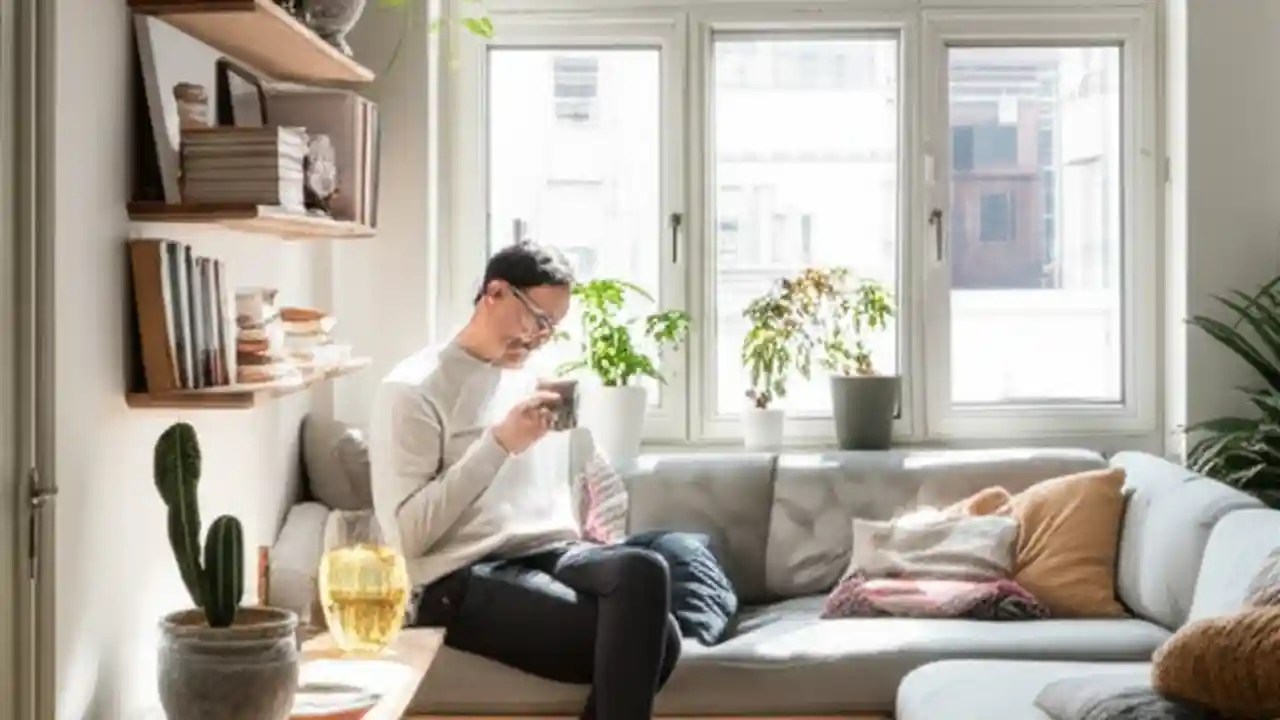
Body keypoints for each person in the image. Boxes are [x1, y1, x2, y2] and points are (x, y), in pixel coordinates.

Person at [370, 241, 681, 720]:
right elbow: (408, 538)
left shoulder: (530, 378)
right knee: (656, 642)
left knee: (646, 572)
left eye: (551, 327)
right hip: (457, 576)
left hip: (548, 553)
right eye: (537, 319)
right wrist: (498, 444)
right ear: (494, 292)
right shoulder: (413, 389)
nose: (540, 337)